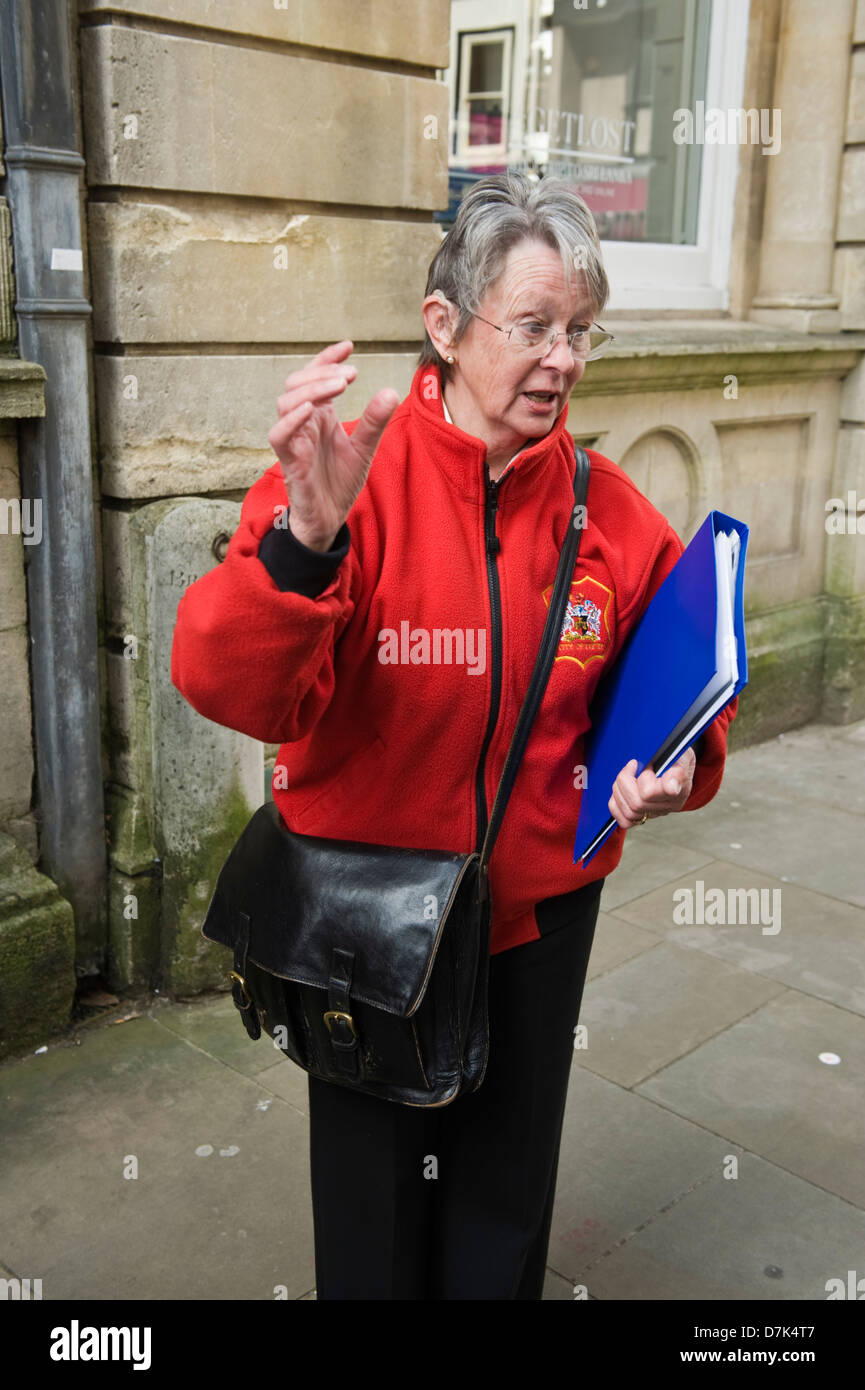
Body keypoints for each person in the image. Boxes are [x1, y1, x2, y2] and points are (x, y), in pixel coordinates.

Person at [171, 173, 736, 1300]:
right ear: (445, 325)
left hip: (535, 921)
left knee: (502, 1206)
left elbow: (678, 693)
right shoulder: (345, 484)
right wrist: (303, 547)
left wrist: (673, 765)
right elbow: (223, 683)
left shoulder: (610, 509)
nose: (563, 359)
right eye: (533, 326)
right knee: (374, 1223)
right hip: (370, 925)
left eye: (579, 331)